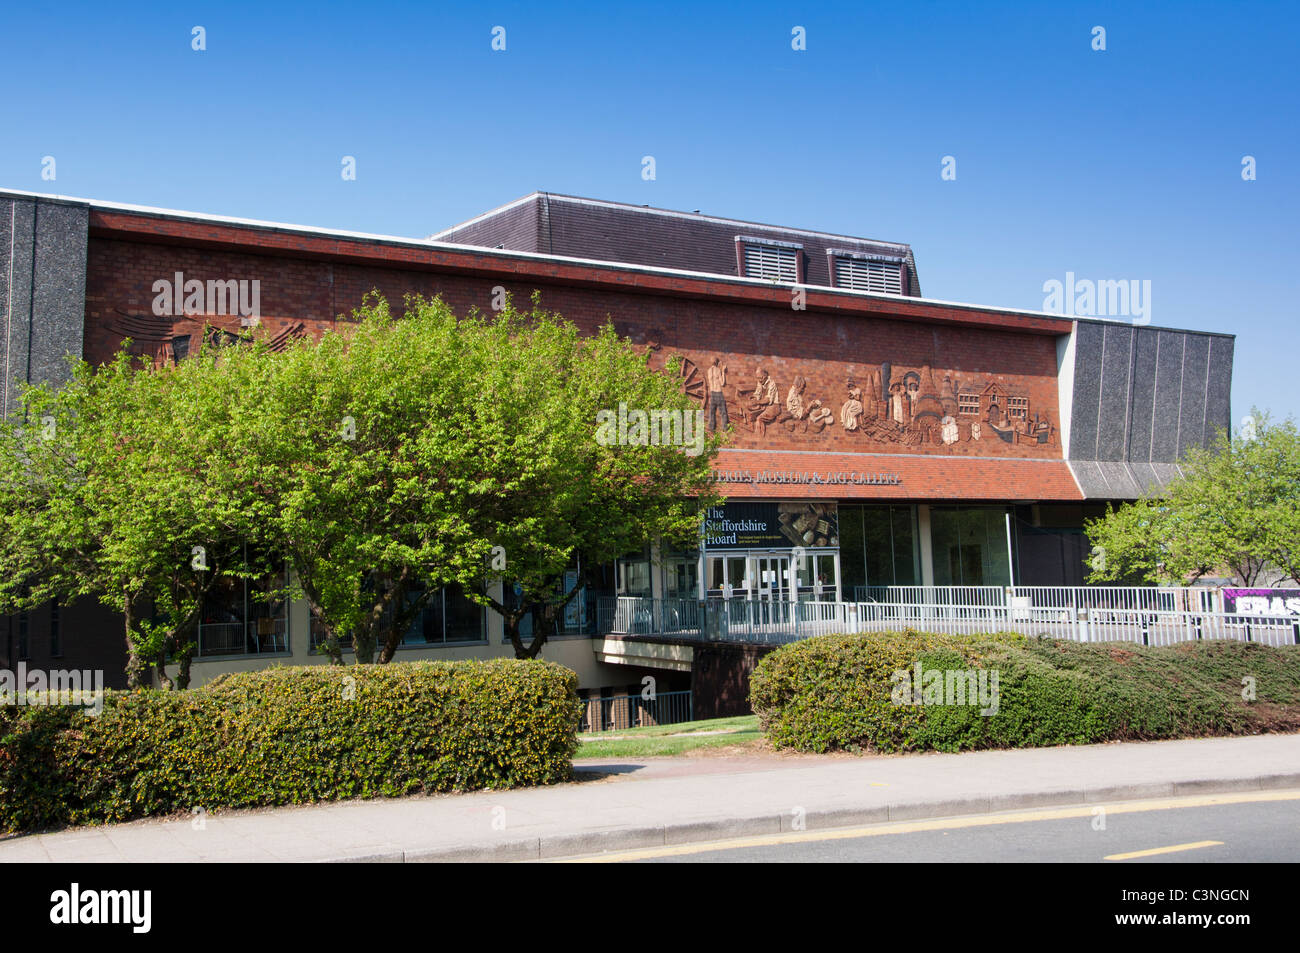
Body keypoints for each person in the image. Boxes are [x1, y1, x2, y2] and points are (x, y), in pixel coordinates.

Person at [705, 357, 729, 432]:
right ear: (716, 362)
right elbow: (722, 383)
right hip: (718, 393)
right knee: (723, 412)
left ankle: (711, 428)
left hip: (712, 393)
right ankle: (725, 428)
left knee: (712, 412)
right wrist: (723, 371)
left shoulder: (708, 371)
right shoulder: (718, 370)